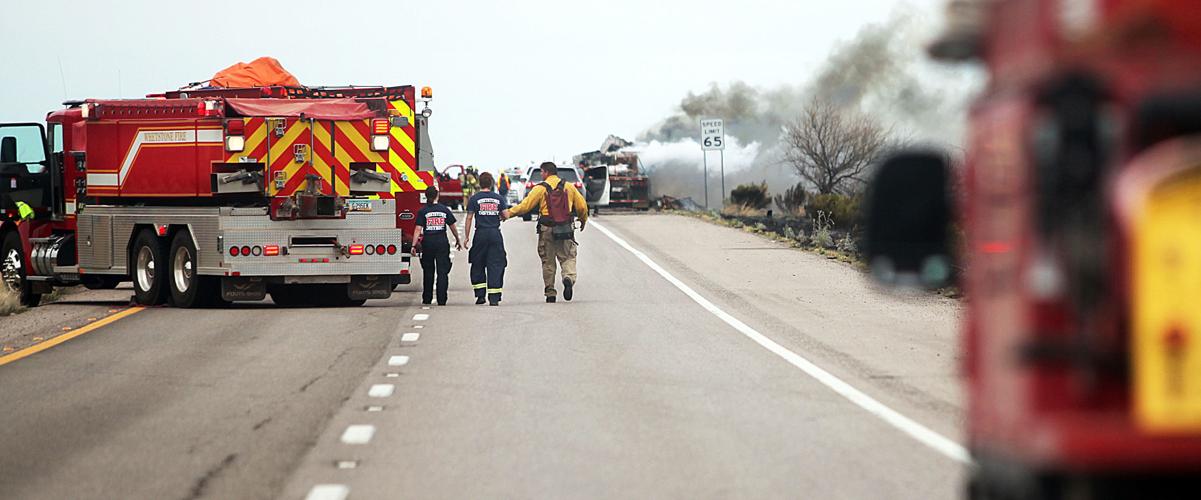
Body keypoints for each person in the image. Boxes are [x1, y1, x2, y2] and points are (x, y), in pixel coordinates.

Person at [502, 162, 588, 303]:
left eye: (541, 172)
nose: (541, 175)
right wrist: (583, 220)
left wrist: (509, 214)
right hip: (565, 228)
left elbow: (525, 206)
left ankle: (550, 292)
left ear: (545, 172)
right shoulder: (569, 187)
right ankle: (568, 278)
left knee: (548, 262)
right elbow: (582, 206)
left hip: (546, 228)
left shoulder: (540, 189)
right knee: (568, 257)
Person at [464, 172, 508, 306]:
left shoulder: (474, 199)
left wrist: (466, 237)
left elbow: (469, 218)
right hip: (495, 233)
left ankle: (480, 295)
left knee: (477, 263)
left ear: (479, 183)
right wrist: (500, 217)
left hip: (480, 234)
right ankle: (494, 297)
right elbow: (505, 215)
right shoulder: (499, 198)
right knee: (496, 264)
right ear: (491, 183)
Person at [414, 186, 462, 306]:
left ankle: (427, 298)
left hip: (428, 243)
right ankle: (442, 299)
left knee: (428, 271)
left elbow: (418, 229)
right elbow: (452, 226)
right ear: (437, 196)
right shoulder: (444, 210)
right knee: (442, 272)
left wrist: (413, 245)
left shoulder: (423, 211)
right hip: (441, 243)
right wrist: (457, 240)